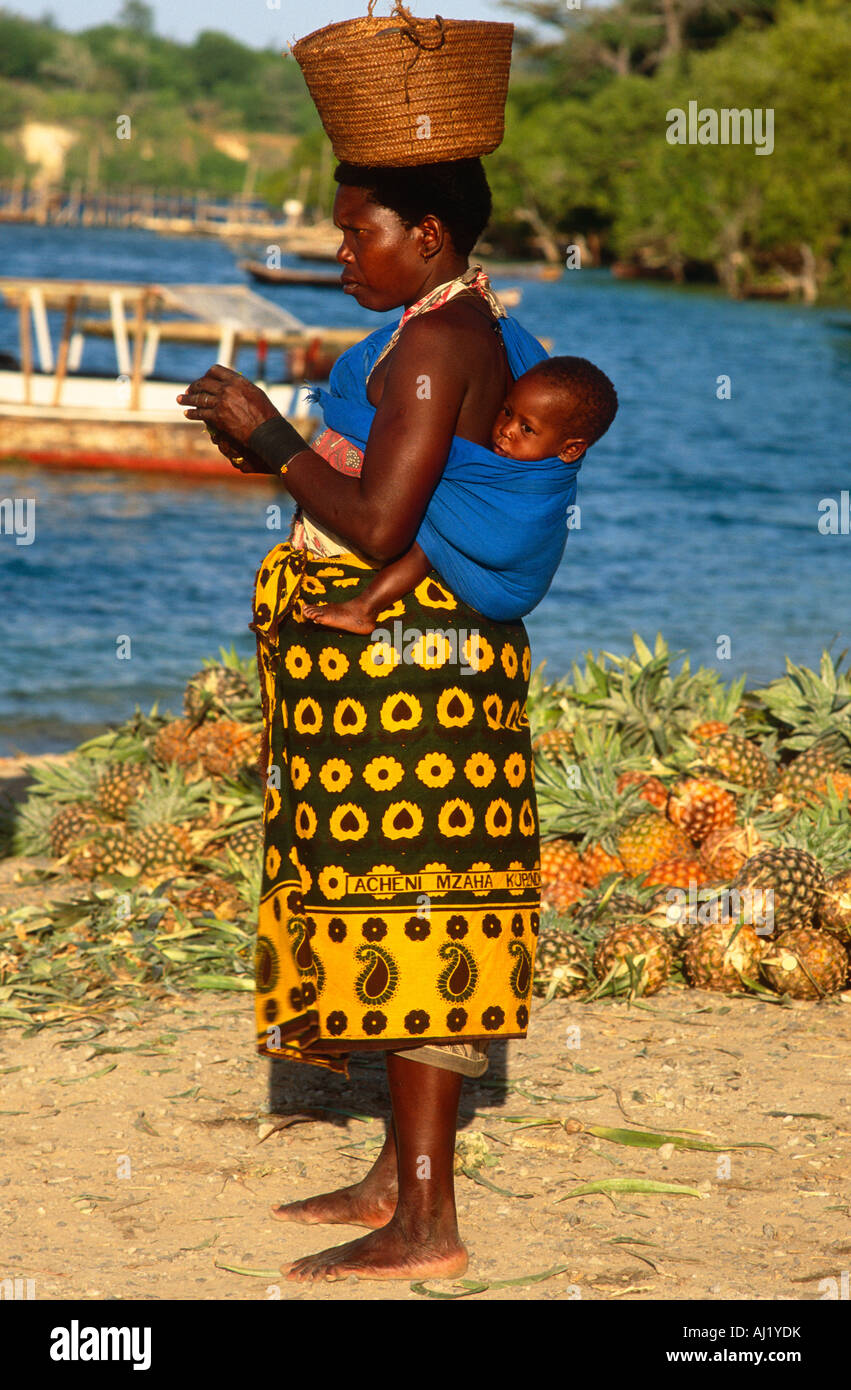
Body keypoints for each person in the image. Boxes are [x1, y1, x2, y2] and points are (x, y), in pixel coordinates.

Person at [176, 157, 579, 1285]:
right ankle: (399, 1180)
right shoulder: (445, 329)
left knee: (416, 921)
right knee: (396, 914)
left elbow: (376, 514)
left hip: (414, 687)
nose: (343, 252)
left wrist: (265, 433)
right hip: (403, 678)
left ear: (432, 238)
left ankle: (426, 1223)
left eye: (361, 233)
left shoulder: (439, 344)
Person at [300, 356, 618, 636]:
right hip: (508, 579)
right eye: (507, 412)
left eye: (527, 429)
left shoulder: (539, 483)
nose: (507, 429)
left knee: (425, 527)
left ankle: (364, 608)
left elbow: (415, 443)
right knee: (428, 512)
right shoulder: (544, 455)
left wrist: (338, 409)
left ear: (571, 449)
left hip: (504, 591)